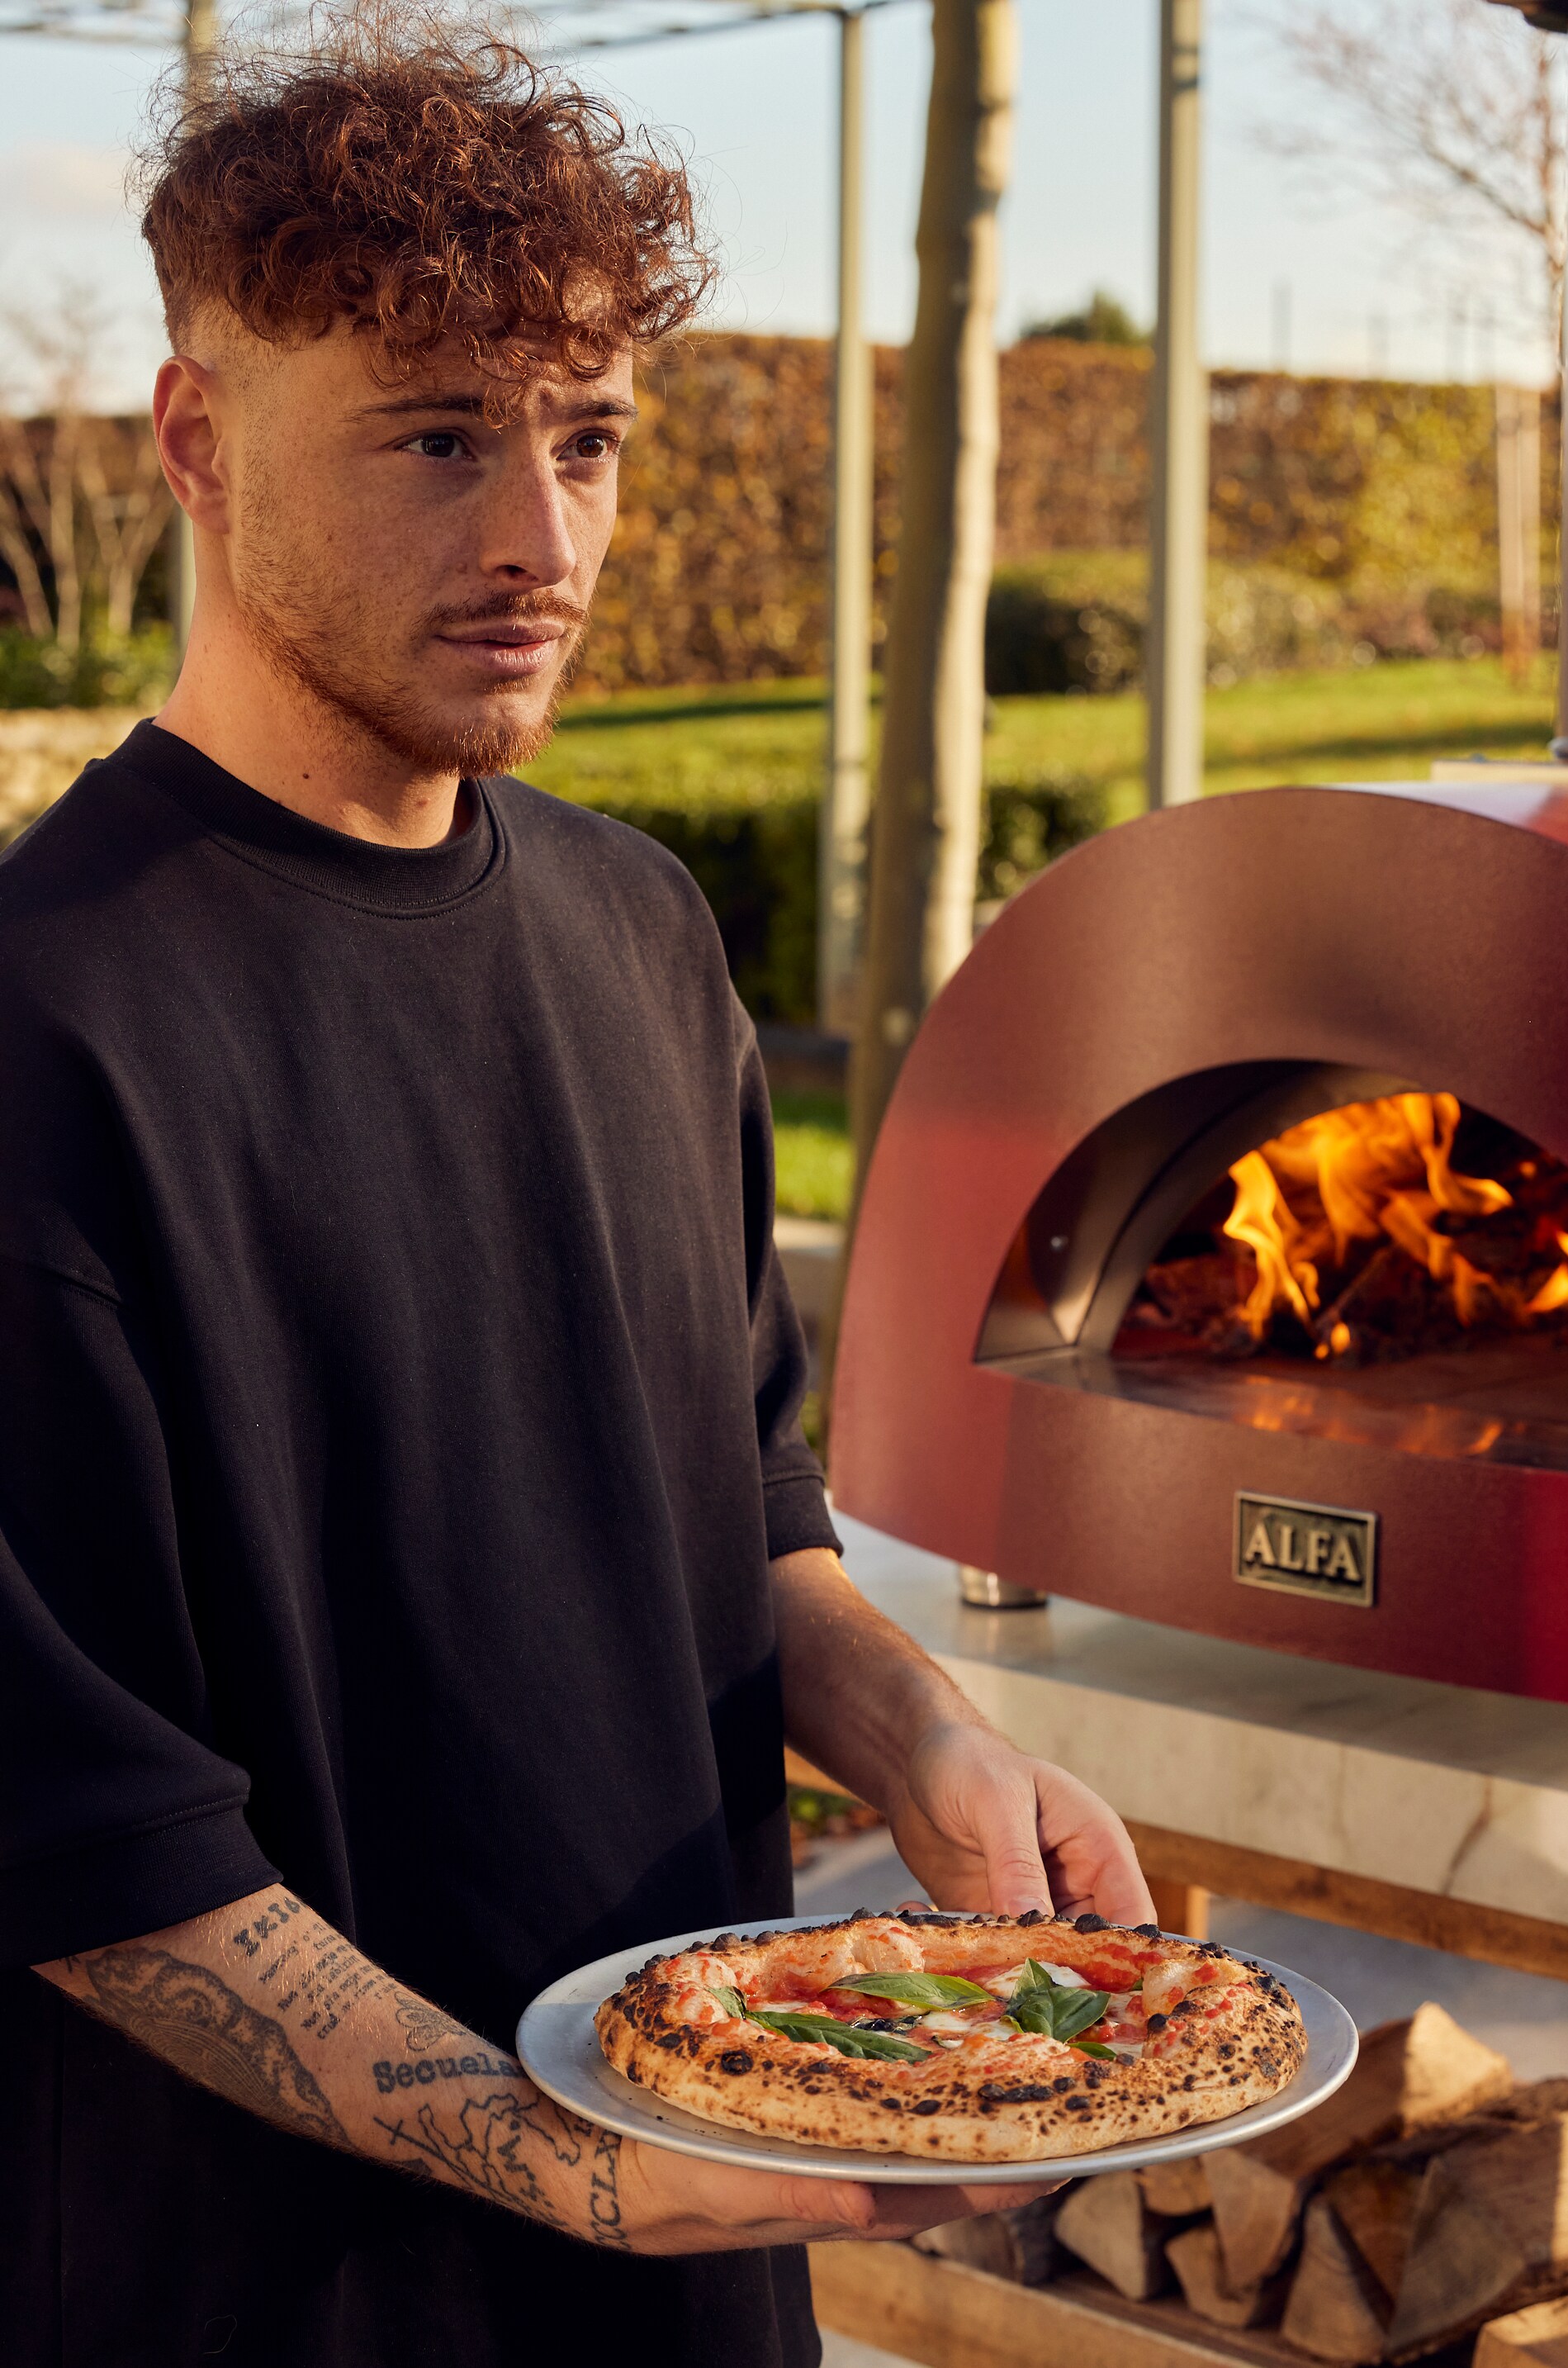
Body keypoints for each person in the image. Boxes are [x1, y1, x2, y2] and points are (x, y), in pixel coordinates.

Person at [0, 16, 1152, 2365]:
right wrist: (568, 2157)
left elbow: (743, 1519)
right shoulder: (47, 1024)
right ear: (197, 441)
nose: (543, 538)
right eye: (439, 437)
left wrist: (926, 1737)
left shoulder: (642, 930)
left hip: (699, 2281)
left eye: (590, 438)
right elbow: (87, 1842)